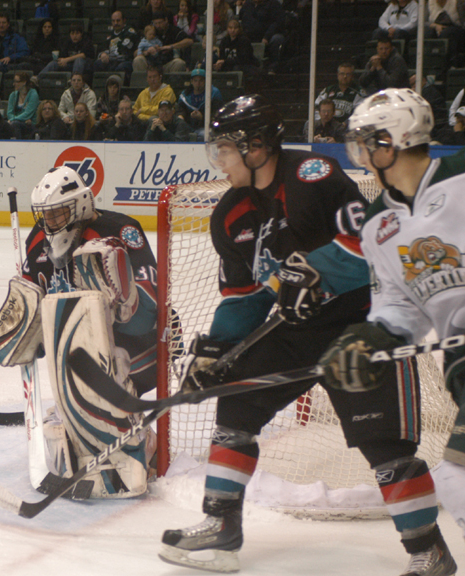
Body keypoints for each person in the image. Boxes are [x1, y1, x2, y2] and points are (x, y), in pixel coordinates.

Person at [156, 94, 451, 576]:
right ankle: (221, 526)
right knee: (236, 405)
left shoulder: (312, 177)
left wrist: (317, 272)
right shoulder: (230, 214)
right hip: (295, 330)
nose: (219, 162)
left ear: (256, 147)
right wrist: (215, 352)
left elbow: (372, 243)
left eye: (225, 150)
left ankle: (429, 552)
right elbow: (244, 296)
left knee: (386, 447)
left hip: (361, 326)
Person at [321, 87, 464, 569]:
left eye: (367, 142)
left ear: (393, 140)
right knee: (457, 480)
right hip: (460, 361)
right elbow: (399, 305)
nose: (360, 153)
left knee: (458, 480)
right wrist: (369, 339)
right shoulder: (378, 222)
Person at [0, 165, 158, 498]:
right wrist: (25, 322)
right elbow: (38, 306)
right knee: (72, 392)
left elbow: (152, 306)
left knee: (108, 362)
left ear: (81, 204)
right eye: (44, 214)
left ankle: (137, 444)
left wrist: (122, 301)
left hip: (144, 348)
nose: (49, 221)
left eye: (58, 212)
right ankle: (94, 442)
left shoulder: (120, 230)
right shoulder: (38, 242)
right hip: (83, 353)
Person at [238, 0, 285, 72]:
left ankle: (273, 67)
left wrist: (266, 37)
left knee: (277, 39)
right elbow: (241, 20)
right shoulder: (247, 5)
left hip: (267, 36)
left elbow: (277, 23)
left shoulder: (273, 4)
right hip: (248, 37)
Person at [176, 68, 223, 139]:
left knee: (204, 135)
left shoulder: (214, 93)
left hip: (207, 127)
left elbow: (217, 114)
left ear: (206, 81)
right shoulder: (185, 95)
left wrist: (202, 117)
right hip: (188, 127)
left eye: (201, 80)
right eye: (195, 80)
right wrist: (181, 116)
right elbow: (180, 110)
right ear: (191, 81)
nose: (198, 84)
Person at [6, 71, 39, 140]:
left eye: (16, 82)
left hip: (30, 124)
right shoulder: (13, 95)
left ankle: (18, 144)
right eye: (14, 81)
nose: (14, 84)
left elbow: (28, 114)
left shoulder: (33, 94)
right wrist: (13, 120)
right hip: (16, 122)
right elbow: (9, 112)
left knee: (14, 124)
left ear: (24, 82)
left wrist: (12, 120)